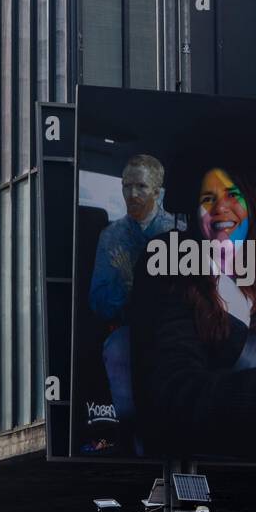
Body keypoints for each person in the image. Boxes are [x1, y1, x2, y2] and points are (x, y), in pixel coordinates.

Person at [131, 164, 256, 462]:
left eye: (232, 195)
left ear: (253, 205)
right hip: (218, 468)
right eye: (207, 199)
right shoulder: (169, 265)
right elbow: (171, 395)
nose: (221, 208)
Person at [87, 155, 177, 452]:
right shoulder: (110, 237)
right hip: (129, 329)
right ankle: (132, 436)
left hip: (175, 328)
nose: (132, 194)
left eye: (141, 186)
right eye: (127, 186)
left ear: (158, 192)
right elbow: (96, 297)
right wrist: (128, 292)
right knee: (116, 349)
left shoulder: (178, 231)